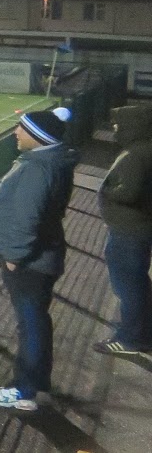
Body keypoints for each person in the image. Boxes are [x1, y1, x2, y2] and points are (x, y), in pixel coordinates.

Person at [0, 106, 78, 411]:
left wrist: (14, 255)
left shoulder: (38, 168)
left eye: (22, 128)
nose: (16, 132)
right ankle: (35, 383)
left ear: (39, 136)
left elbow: (28, 218)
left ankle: (24, 390)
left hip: (30, 262)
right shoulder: (50, 162)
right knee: (36, 322)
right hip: (41, 257)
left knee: (31, 324)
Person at [95, 105, 152, 360]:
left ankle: (130, 339)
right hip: (136, 228)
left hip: (129, 230)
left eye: (119, 124)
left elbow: (128, 192)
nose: (115, 128)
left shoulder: (136, 154)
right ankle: (143, 333)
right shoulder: (143, 150)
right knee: (137, 284)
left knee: (128, 287)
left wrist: (107, 190)